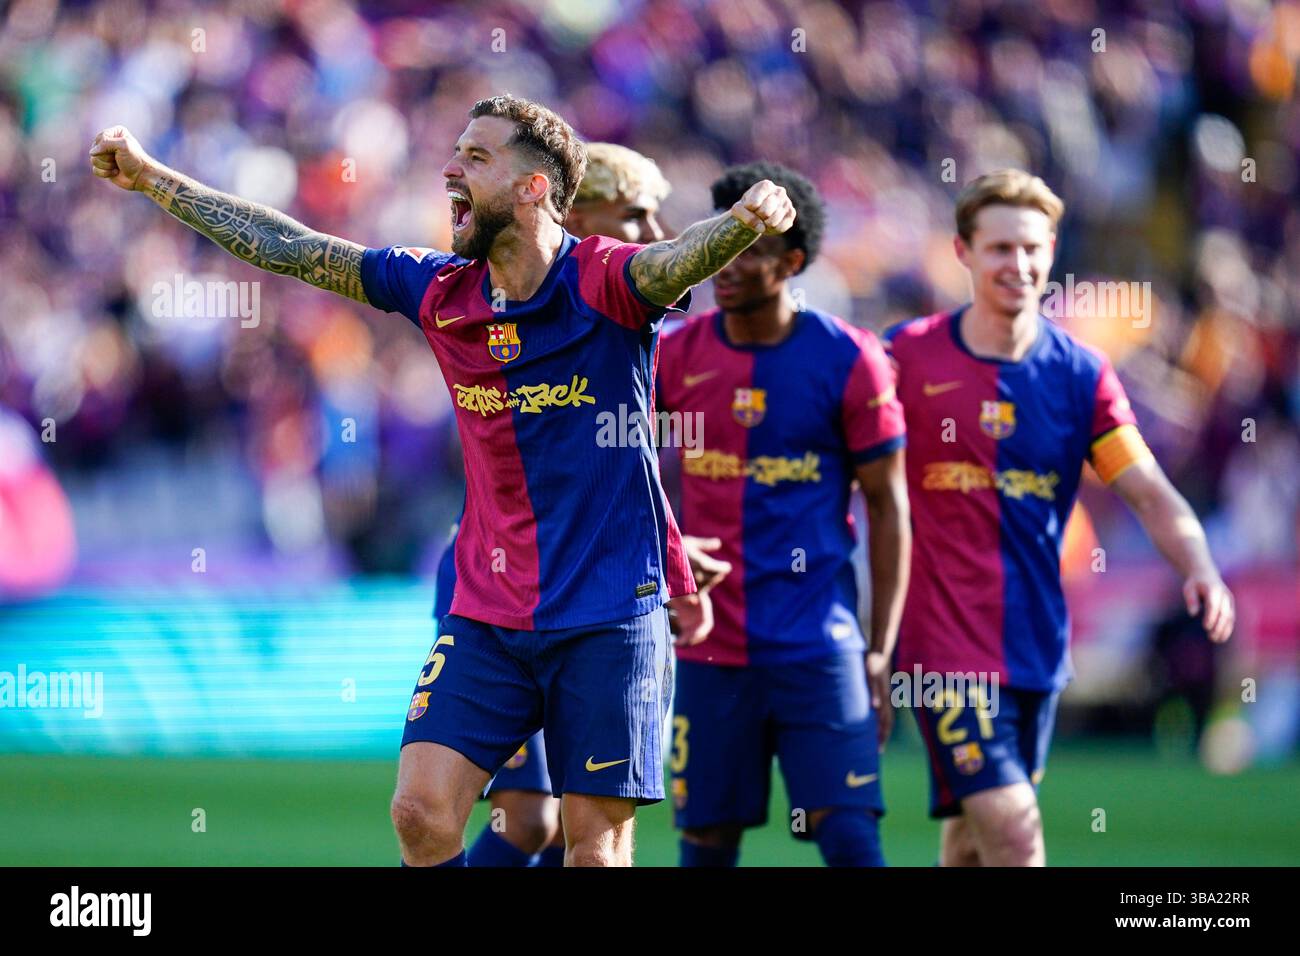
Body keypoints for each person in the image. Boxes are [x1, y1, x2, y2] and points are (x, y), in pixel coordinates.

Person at [89, 93, 794, 867]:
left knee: (592, 852)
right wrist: (155, 181)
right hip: (489, 610)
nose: (450, 168)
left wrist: (742, 223)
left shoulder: (606, 281)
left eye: (477, 156)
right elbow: (288, 246)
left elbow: (675, 256)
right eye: (456, 151)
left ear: (533, 188)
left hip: (606, 613)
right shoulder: (437, 290)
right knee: (421, 814)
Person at [883, 169, 1235, 866]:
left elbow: (1148, 489)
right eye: (999, 248)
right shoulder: (905, 357)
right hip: (944, 647)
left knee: (970, 845)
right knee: (1015, 831)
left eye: (1032, 248)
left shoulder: (1080, 374)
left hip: (1035, 646)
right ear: (963, 252)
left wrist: (1199, 563)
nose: (1018, 264)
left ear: (1051, 253)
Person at [657, 162, 910, 867]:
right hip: (710, 649)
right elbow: (616, 466)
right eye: (720, 243)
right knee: (706, 844)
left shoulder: (850, 360)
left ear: (792, 262)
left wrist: (881, 647)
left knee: (853, 838)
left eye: (750, 248)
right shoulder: (674, 355)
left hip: (819, 645)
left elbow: (890, 510)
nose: (725, 266)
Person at [460, 141, 676, 868]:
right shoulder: (477, 294)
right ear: (574, 211)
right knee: (524, 817)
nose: (653, 234)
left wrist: (674, 555)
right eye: (636, 215)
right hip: (497, 592)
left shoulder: (624, 313)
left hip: (599, 598)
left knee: (578, 835)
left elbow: (628, 468)